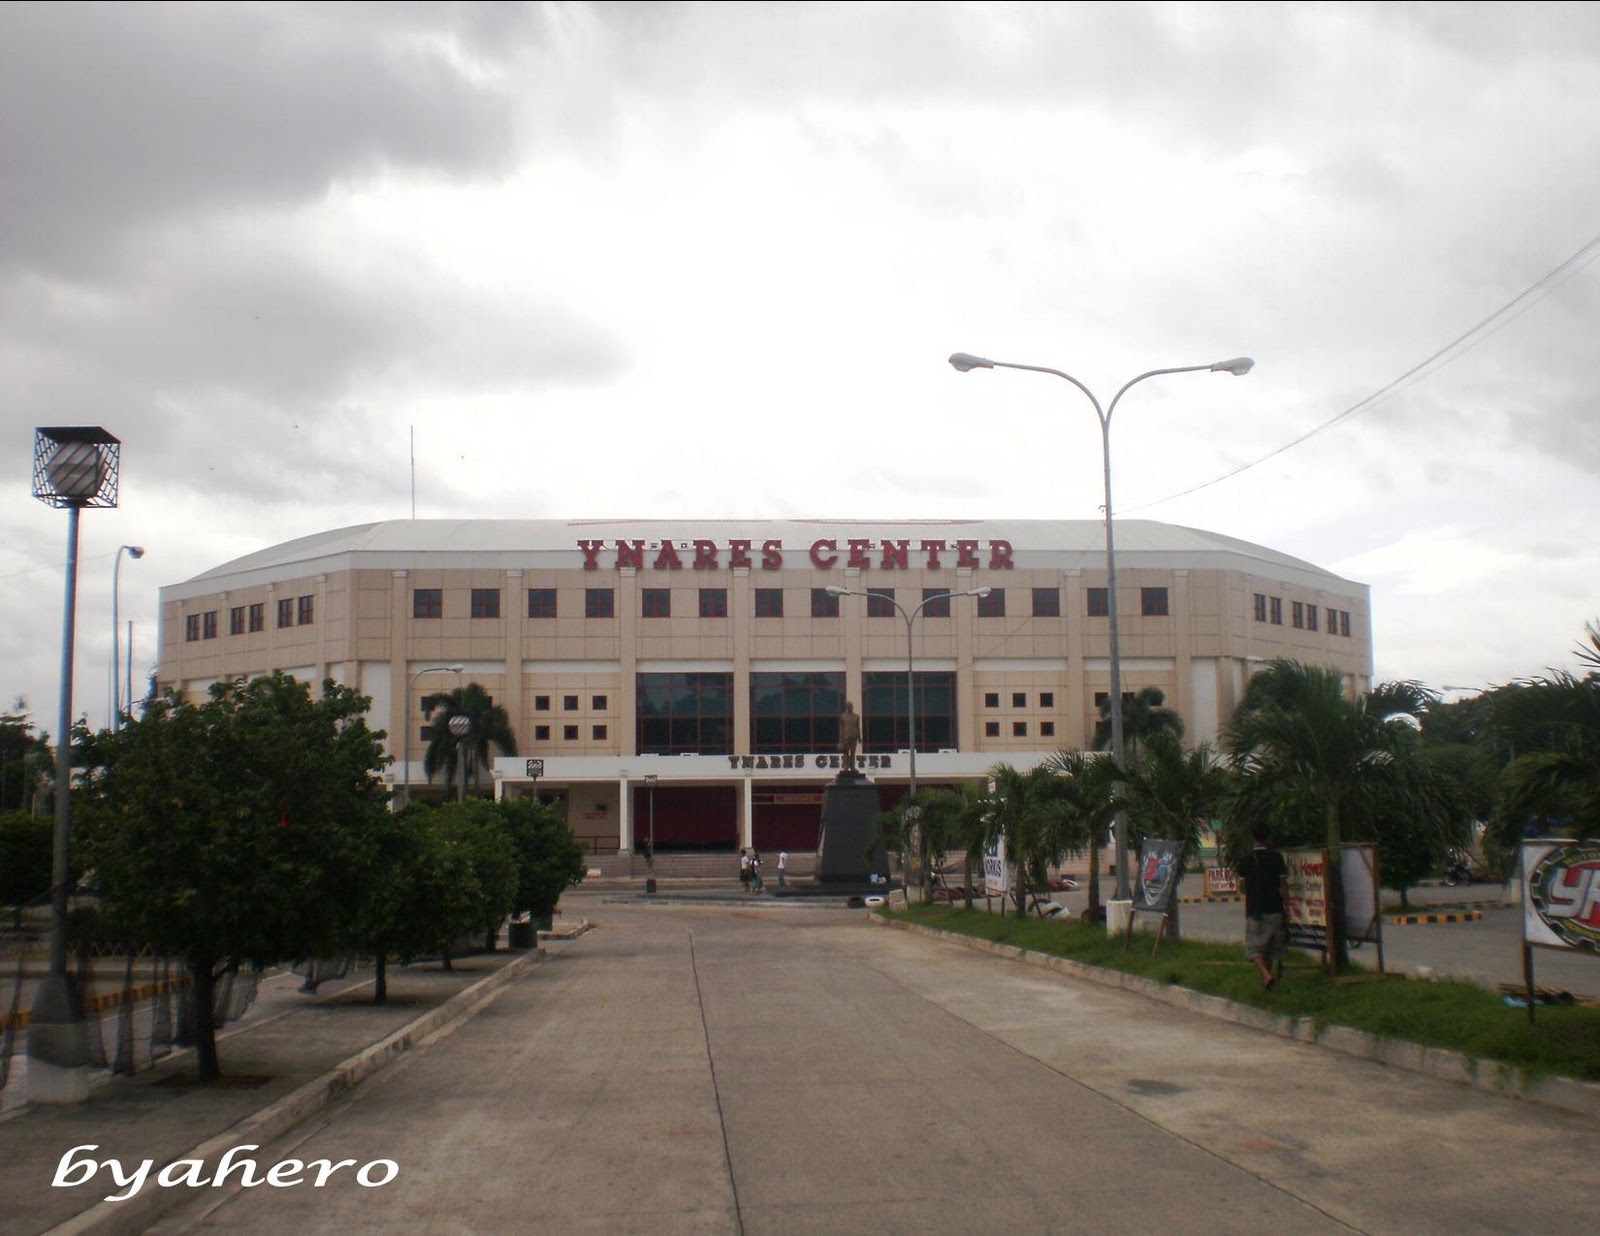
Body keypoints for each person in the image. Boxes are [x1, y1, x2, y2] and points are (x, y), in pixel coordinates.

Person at [1239, 822, 1289, 991]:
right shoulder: (1276, 857)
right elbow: (1284, 885)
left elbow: (1242, 888)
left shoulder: (1245, 860)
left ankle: (1266, 975)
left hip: (1255, 911)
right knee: (1271, 949)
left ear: (1253, 838)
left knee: (1254, 949)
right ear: (1268, 837)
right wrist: (1287, 907)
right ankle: (1267, 983)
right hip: (1275, 909)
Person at [839, 701, 862, 773]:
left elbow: (858, 727)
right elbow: (841, 727)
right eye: (849, 706)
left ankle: (852, 767)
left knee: (853, 752)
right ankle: (845, 767)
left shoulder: (857, 716)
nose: (850, 707)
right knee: (846, 752)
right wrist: (840, 738)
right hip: (845, 736)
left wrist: (859, 737)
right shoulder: (843, 716)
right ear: (846, 707)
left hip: (854, 736)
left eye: (851, 706)